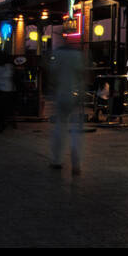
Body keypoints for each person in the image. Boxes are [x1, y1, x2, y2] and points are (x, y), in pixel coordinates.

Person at [49, 37, 85, 174]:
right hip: (75, 94)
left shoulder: (57, 54)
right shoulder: (77, 55)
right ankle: (76, 163)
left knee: (60, 126)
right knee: (76, 130)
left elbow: (52, 74)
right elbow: (82, 74)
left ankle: (57, 160)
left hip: (61, 94)